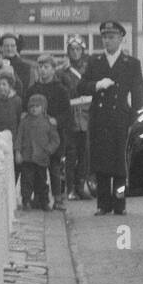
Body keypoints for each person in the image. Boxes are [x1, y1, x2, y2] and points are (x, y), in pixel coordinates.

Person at [76, 21, 143, 216]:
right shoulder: (95, 62)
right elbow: (81, 86)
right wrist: (97, 85)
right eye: (105, 37)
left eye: (112, 37)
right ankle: (103, 204)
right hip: (100, 118)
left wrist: (134, 119)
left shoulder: (131, 63)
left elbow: (137, 95)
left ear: (121, 38)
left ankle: (120, 204)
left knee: (120, 165)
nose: (108, 41)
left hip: (121, 119)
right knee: (101, 163)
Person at [32, 55, 73, 211]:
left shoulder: (60, 89)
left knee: (55, 168)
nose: (43, 70)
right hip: (37, 136)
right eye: (40, 67)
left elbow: (67, 113)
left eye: (46, 67)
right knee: (38, 168)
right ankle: (40, 198)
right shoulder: (34, 89)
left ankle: (58, 198)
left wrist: (57, 120)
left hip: (55, 135)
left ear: (53, 69)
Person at [15, 93, 59, 212]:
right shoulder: (25, 122)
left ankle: (44, 202)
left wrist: (49, 150)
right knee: (26, 180)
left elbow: (55, 139)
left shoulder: (48, 122)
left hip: (41, 157)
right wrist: (18, 151)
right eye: (32, 106)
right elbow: (19, 137)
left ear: (43, 107)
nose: (34, 109)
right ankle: (26, 200)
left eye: (37, 106)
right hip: (27, 157)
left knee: (42, 181)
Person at [60, 36, 91, 200]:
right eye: (72, 49)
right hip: (71, 117)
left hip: (86, 116)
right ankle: (70, 188)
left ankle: (80, 186)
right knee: (71, 154)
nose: (75, 52)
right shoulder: (63, 71)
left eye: (78, 49)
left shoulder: (88, 70)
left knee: (84, 154)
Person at [0, 32, 34, 99]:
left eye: (12, 46)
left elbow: (25, 89)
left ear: (16, 47)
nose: (9, 49)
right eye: (6, 46)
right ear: (1, 47)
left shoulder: (25, 67)